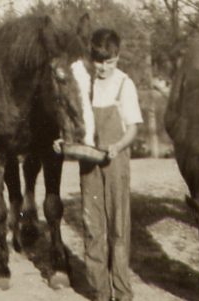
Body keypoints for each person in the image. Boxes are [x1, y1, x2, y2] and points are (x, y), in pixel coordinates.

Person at [56, 28, 142, 301]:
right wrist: (63, 141)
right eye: (99, 62)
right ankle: (100, 291)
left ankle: (122, 291)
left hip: (115, 162)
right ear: (91, 58)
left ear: (118, 57)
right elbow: (76, 121)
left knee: (118, 227)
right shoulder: (86, 84)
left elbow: (133, 128)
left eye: (110, 62)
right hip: (89, 162)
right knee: (93, 226)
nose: (104, 68)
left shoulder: (124, 84)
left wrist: (118, 145)